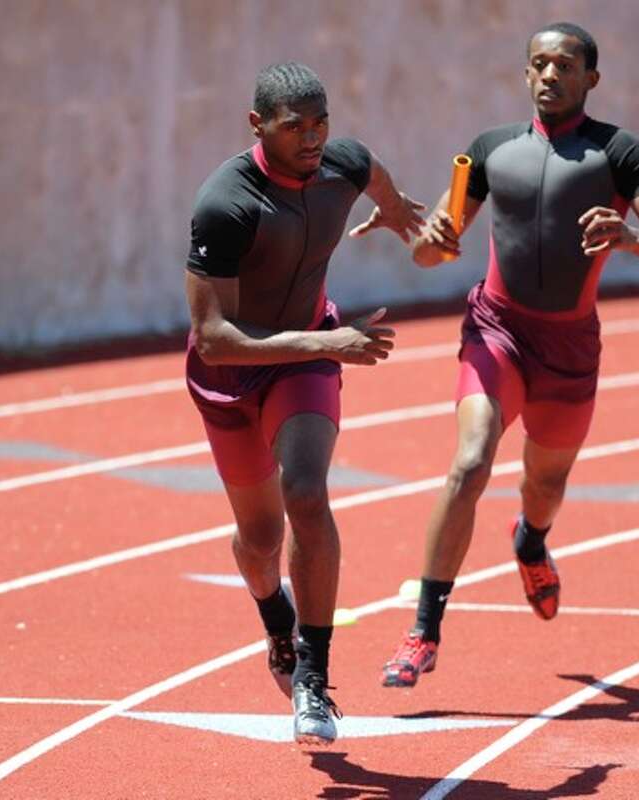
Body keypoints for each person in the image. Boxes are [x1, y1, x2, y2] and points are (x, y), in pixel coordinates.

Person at [381, 23, 639, 688]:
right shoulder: (489, 152)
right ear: (526, 74)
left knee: (544, 486)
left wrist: (632, 237)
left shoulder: (620, 154)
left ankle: (530, 538)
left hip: (569, 348)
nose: (549, 75)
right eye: (539, 64)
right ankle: (423, 630)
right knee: (469, 464)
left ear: (591, 79)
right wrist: (431, 238)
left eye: (565, 65)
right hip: (497, 331)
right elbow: (431, 251)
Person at [184, 62, 423, 742]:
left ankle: (312, 680)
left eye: (322, 122)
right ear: (257, 125)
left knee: (309, 495)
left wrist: (400, 209)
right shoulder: (226, 203)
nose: (313, 137)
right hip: (232, 374)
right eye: (296, 126)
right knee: (260, 542)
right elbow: (213, 339)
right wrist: (327, 341)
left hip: (308, 360)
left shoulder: (339, 164)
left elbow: (370, 167)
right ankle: (276, 625)